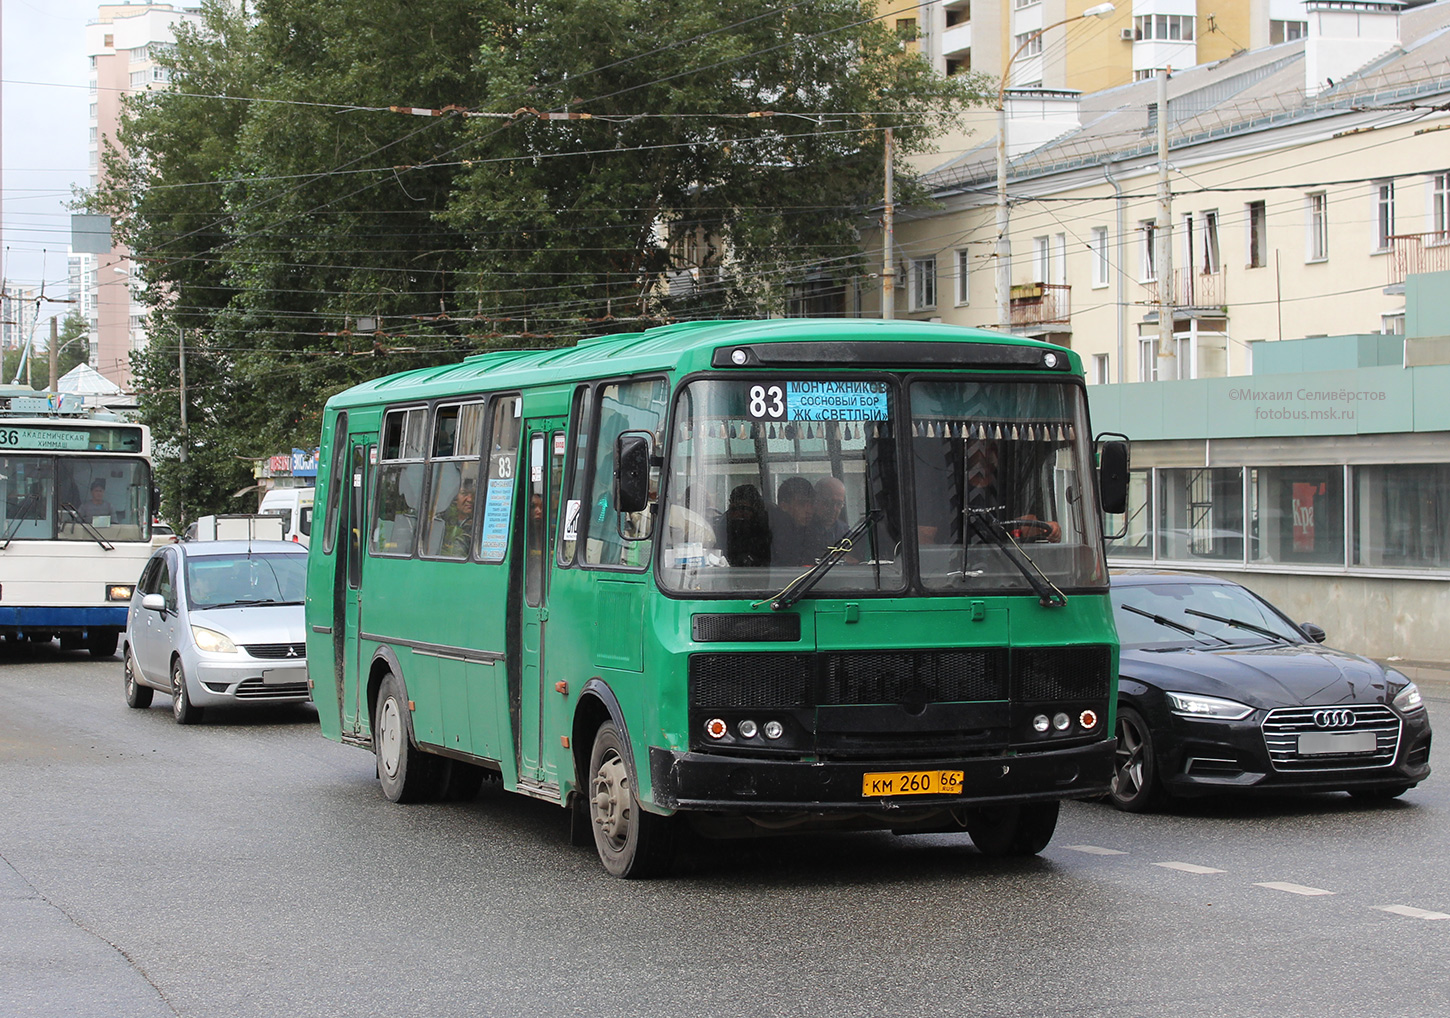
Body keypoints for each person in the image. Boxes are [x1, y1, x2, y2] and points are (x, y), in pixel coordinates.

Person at [769, 476, 819, 567]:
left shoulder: (814, 529)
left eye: (811, 504)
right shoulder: (772, 535)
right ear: (784, 506)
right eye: (802, 504)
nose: (809, 510)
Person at [723, 484, 771, 567]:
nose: (737, 514)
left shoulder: (767, 527)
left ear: (756, 508)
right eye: (734, 509)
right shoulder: (723, 524)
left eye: (743, 509)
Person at [438, 477, 476, 557]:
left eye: (473, 494)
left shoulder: (476, 527)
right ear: (455, 498)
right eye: (464, 493)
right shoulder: (442, 522)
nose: (470, 499)